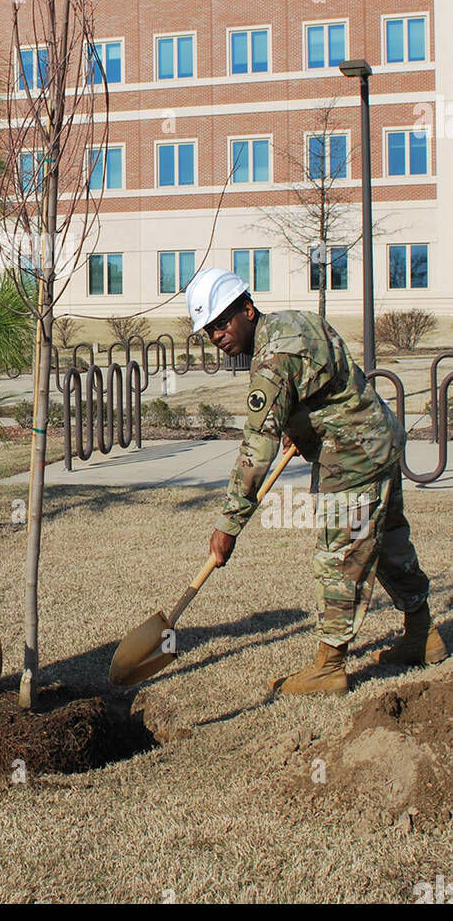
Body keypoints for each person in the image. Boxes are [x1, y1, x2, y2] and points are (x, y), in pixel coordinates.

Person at [184, 267, 446, 696]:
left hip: (352, 461)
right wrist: (300, 421)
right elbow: (332, 381)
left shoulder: (271, 361)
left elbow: (256, 451)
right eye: (208, 330)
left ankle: (330, 666)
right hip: (380, 440)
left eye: (221, 323)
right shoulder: (296, 320)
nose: (215, 336)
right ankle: (423, 633)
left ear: (247, 310)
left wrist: (228, 525)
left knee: (340, 556)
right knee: (389, 542)